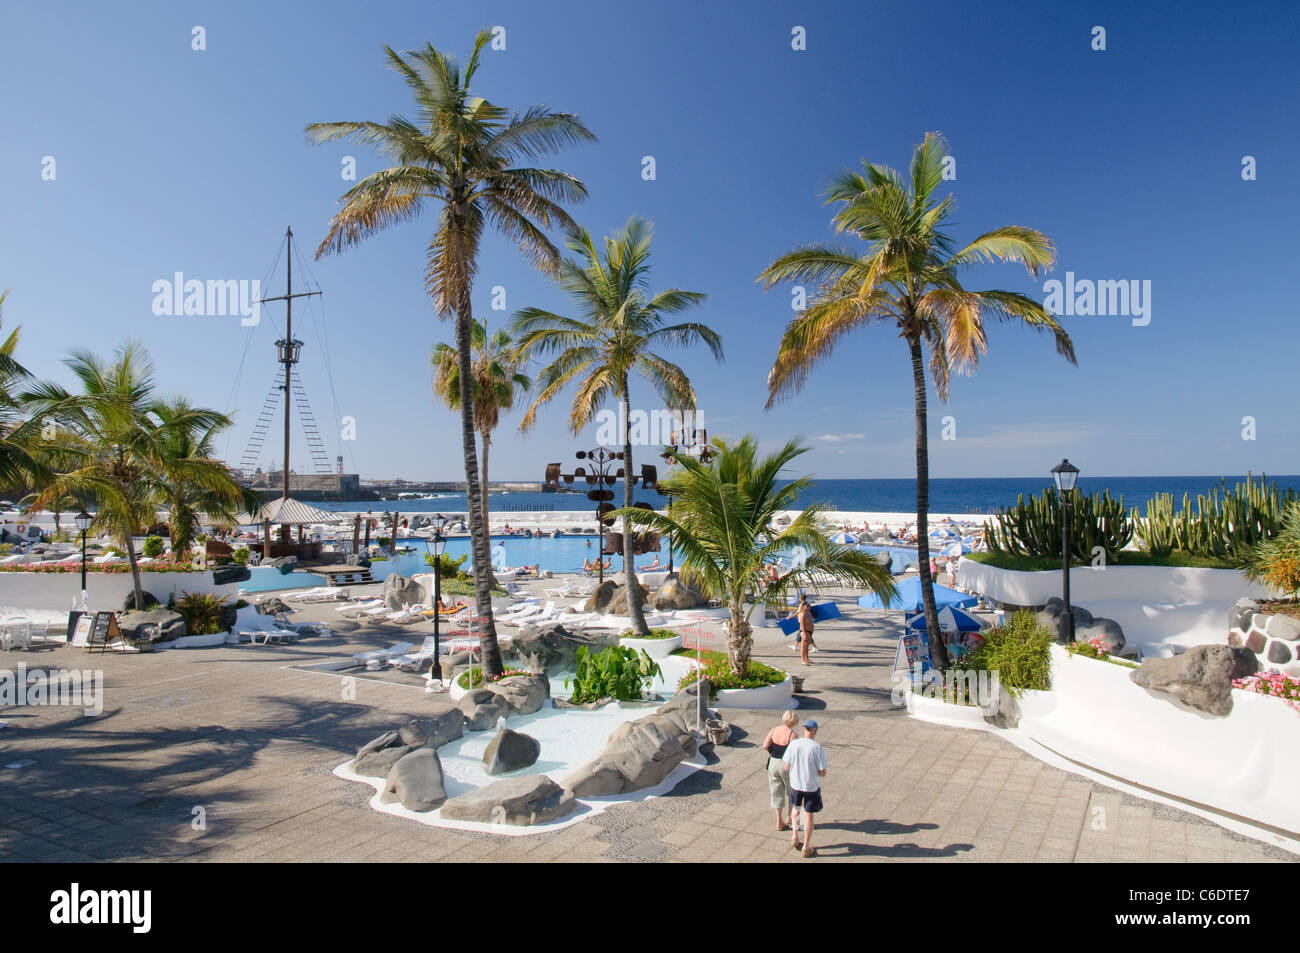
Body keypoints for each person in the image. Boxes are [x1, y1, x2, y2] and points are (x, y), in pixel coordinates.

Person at [782, 718, 828, 857]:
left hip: (796, 784)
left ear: (803, 729)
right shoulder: (817, 748)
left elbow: (786, 766)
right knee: (808, 815)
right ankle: (806, 847)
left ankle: (795, 836)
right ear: (814, 731)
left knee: (795, 809)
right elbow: (822, 772)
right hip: (811, 786)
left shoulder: (794, 744)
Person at [762, 711, 800, 831]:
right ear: (794, 722)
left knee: (776, 792)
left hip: (773, 762)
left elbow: (765, 745)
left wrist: (773, 751)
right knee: (792, 791)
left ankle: (779, 821)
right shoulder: (793, 735)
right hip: (786, 765)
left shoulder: (774, 730)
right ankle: (789, 817)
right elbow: (795, 753)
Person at [795, 593, 816, 666]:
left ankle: (807, 658)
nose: (809, 607)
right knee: (804, 646)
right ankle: (803, 660)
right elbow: (802, 624)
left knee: (807, 646)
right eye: (807, 606)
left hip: (809, 631)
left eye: (809, 606)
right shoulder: (802, 614)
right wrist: (804, 633)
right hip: (805, 631)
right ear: (803, 607)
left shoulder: (809, 613)